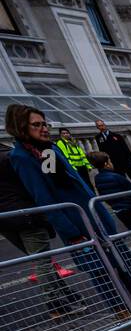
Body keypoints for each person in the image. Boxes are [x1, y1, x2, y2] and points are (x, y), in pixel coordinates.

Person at [6, 103, 122, 315]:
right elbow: (46, 198)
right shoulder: (22, 157)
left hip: (92, 212)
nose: (43, 128)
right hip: (75, 221)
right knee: (99, 270)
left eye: (44, 123)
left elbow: (66, 181)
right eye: (36, 125)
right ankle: (122, 309)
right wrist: (71, 232)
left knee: (120, 257)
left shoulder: (49, 148)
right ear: (22, 127)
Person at [0, 131, 82, 317]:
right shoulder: (11, 156)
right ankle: (55, 305)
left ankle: (68, 295)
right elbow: (33, 184)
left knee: (41, 260)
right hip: (26, 215)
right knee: (43, 261)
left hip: (4, 221)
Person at [89, 150, 131, 269]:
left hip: (119, 211)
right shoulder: (117, 177)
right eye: (110, 161)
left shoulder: (98, 178)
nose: (111, 163)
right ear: (106, 164)